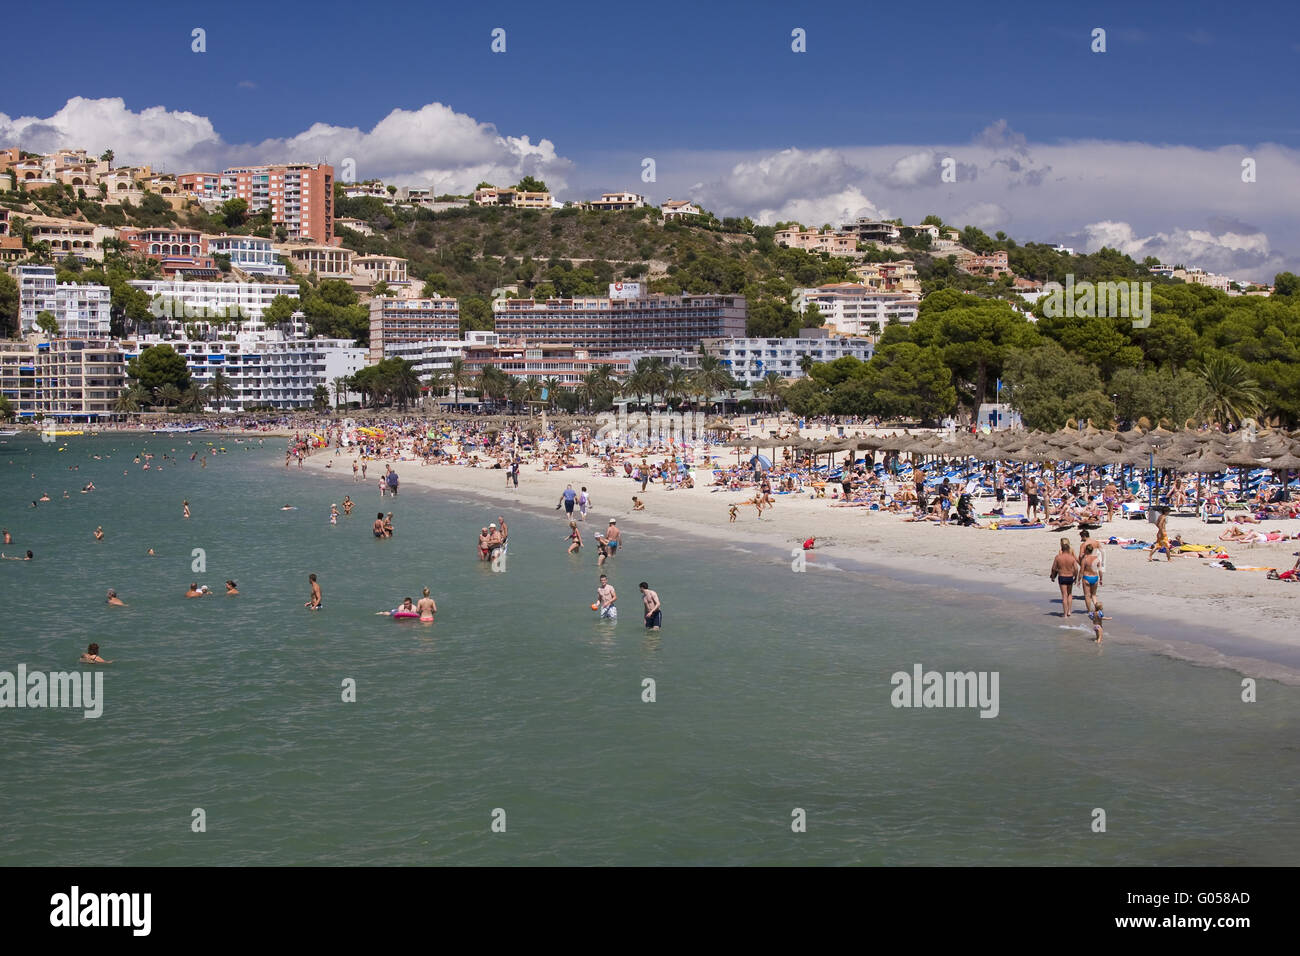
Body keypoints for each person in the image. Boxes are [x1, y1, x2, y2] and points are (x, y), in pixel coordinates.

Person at [1049, 538, 1079, 618]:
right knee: (1069, 594)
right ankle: (1069, 611)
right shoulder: (1072, 558)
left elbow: (1054, 568)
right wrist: (1076, 577)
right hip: (1070, 577)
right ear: (1069, 549)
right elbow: (1076, 569)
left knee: (1064, 595)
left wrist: (1052, 576)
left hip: (1062, 577)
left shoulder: (1058, 557)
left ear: (1062, 549)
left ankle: (1065, 614)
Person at [1080, 542, 1102, 616]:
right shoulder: (1096, 559)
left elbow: (1081, 571)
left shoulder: (1085, 559)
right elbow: (1100, 570)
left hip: (1086, 577)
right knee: (1094, 595)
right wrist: (1101, 579)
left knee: (1087, 595)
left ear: (1086, 550)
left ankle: (1089, 611)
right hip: (1095, 577)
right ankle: (1098, 610)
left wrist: (1078, 580)